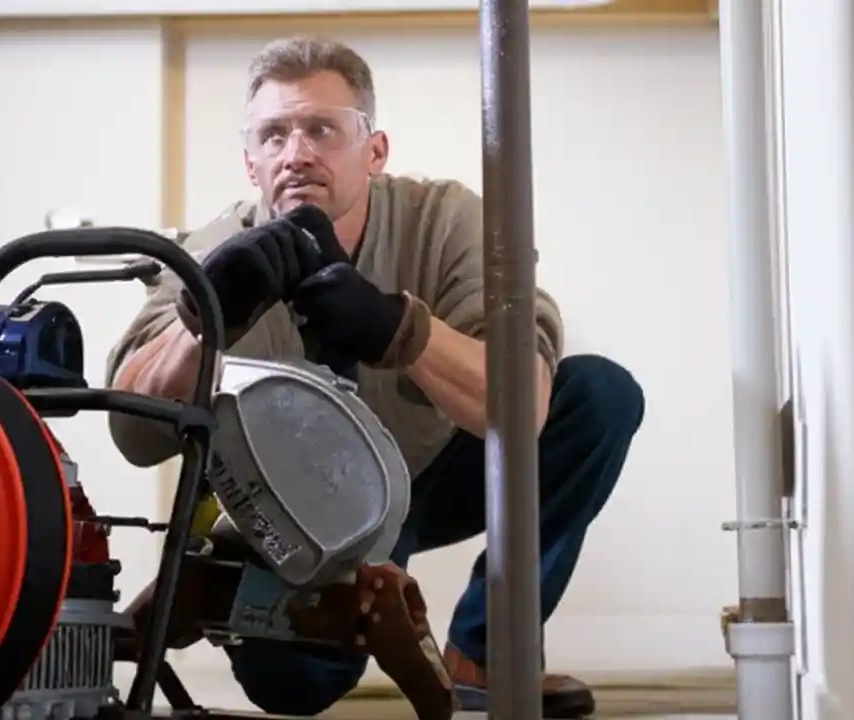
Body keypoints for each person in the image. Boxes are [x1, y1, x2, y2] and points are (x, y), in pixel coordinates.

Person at [105, 35, 645, 718]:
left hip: (433, 473)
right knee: (292, 688)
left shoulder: (446, 221)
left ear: (376, 150)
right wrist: (204, 321)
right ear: (250, 162)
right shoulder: (212, 252)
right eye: (272, 135)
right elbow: (133, 432)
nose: (296, 153)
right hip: (305, 512)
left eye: (322, 129)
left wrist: (402, 331)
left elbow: (525, 405)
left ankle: (486, 648)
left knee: (599, 396)